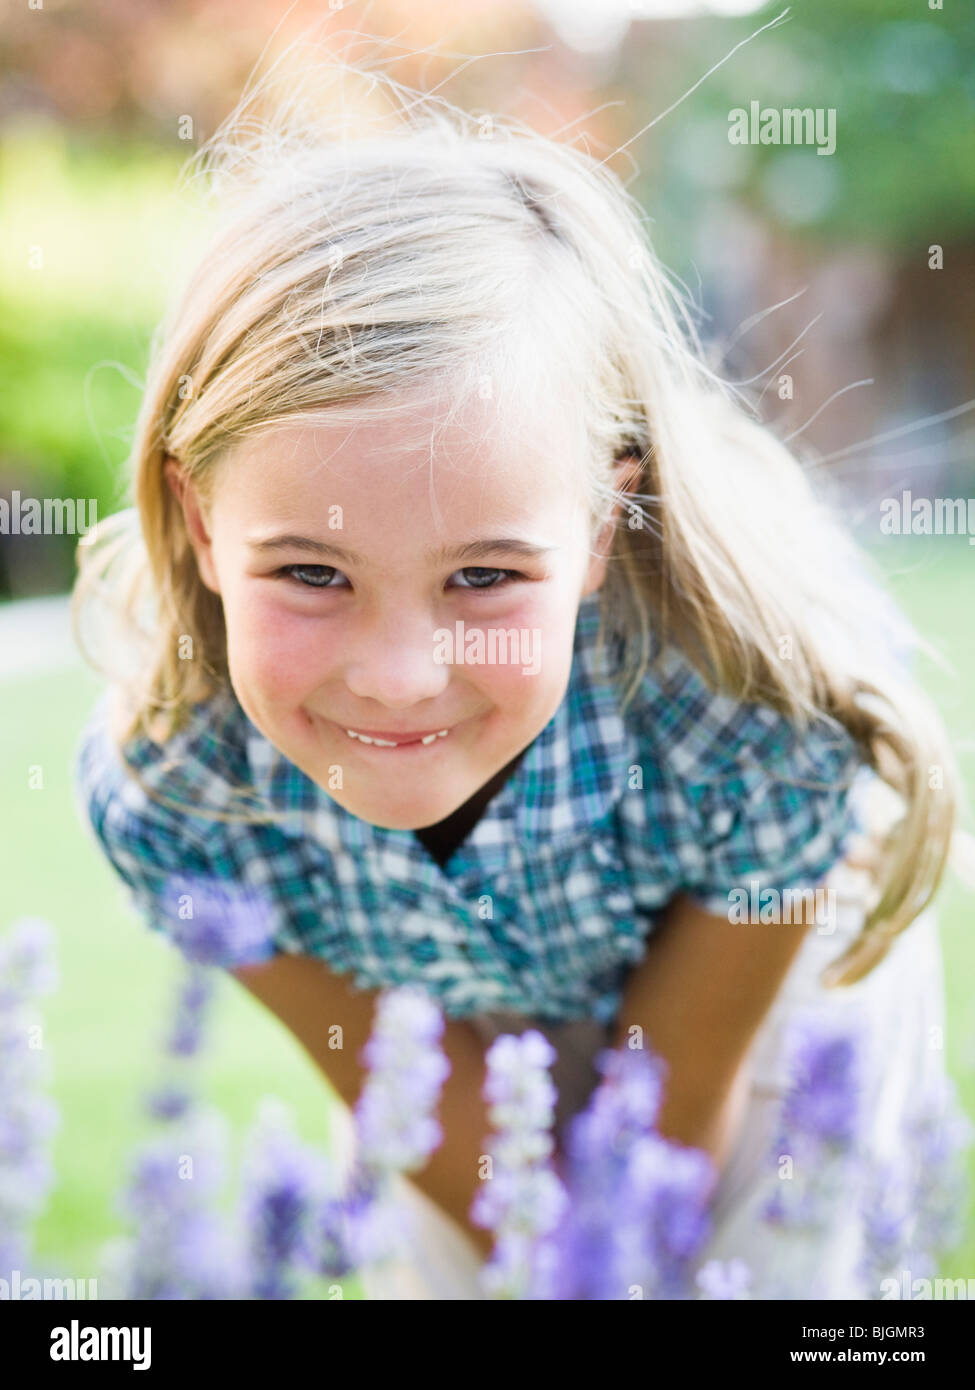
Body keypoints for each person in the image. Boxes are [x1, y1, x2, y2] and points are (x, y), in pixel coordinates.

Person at [71, 45, 971, 1300]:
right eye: (313, 573)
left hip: (756, 1013)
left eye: (484, 577)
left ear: (602, 531)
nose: (396, 677)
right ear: (204, 525)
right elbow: (405, 1101)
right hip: (449, 1039)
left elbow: (668, 1125)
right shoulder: (181, 802)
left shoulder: (746, 733)